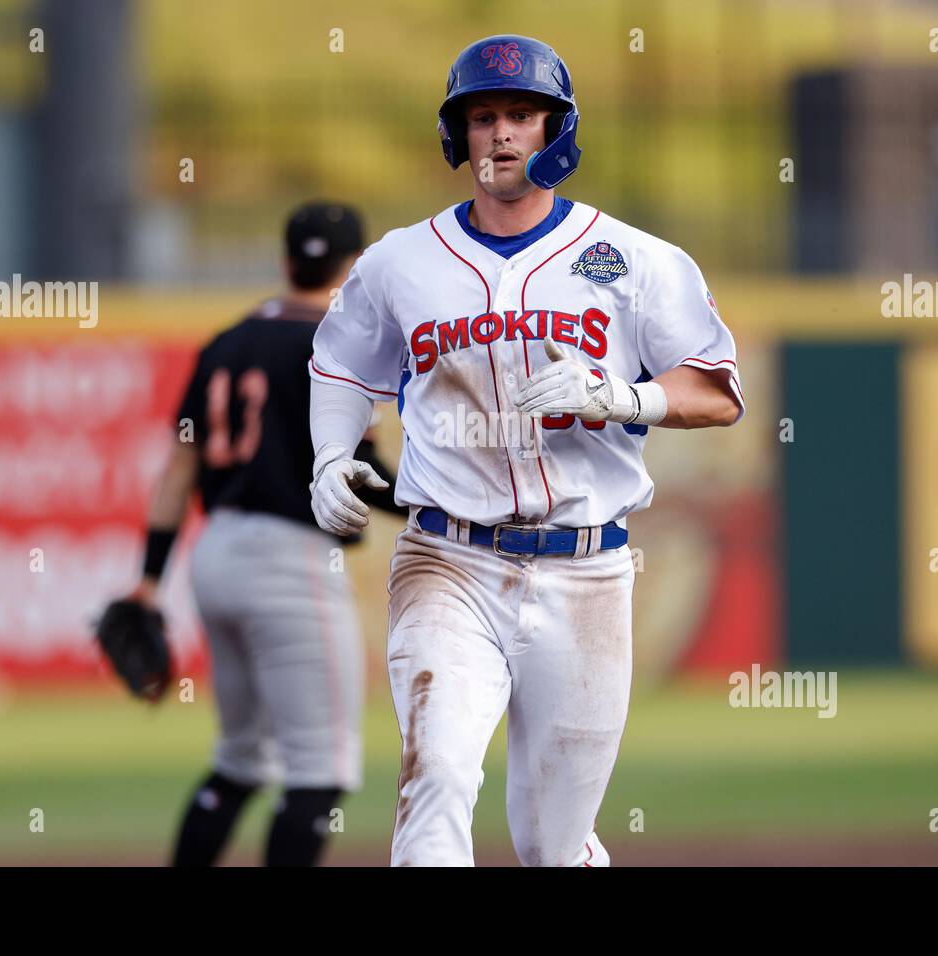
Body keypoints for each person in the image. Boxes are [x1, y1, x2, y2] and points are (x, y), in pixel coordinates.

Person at [306, 35, 745, 867]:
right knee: (435, 775)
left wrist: (624, 397)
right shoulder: (402, 261)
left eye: (520, 115)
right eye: (482, 117)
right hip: (447, 558)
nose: (501, 135)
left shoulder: (635, 259)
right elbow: (337, 366)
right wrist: (331, 456)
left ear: (556, 131)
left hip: (587, 570)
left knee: (552, 843)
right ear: (457, 135)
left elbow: (717, 391)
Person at [121, 201, 403, 866]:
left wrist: (148, 580)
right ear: (355, 266)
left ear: (285, 261)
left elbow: (177, 472)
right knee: (322, 774)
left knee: (241, 761)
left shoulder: (225, 342)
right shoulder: (338, 342)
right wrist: (439, 503)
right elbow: (363, 471)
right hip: (293, 560)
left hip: (214, 553)